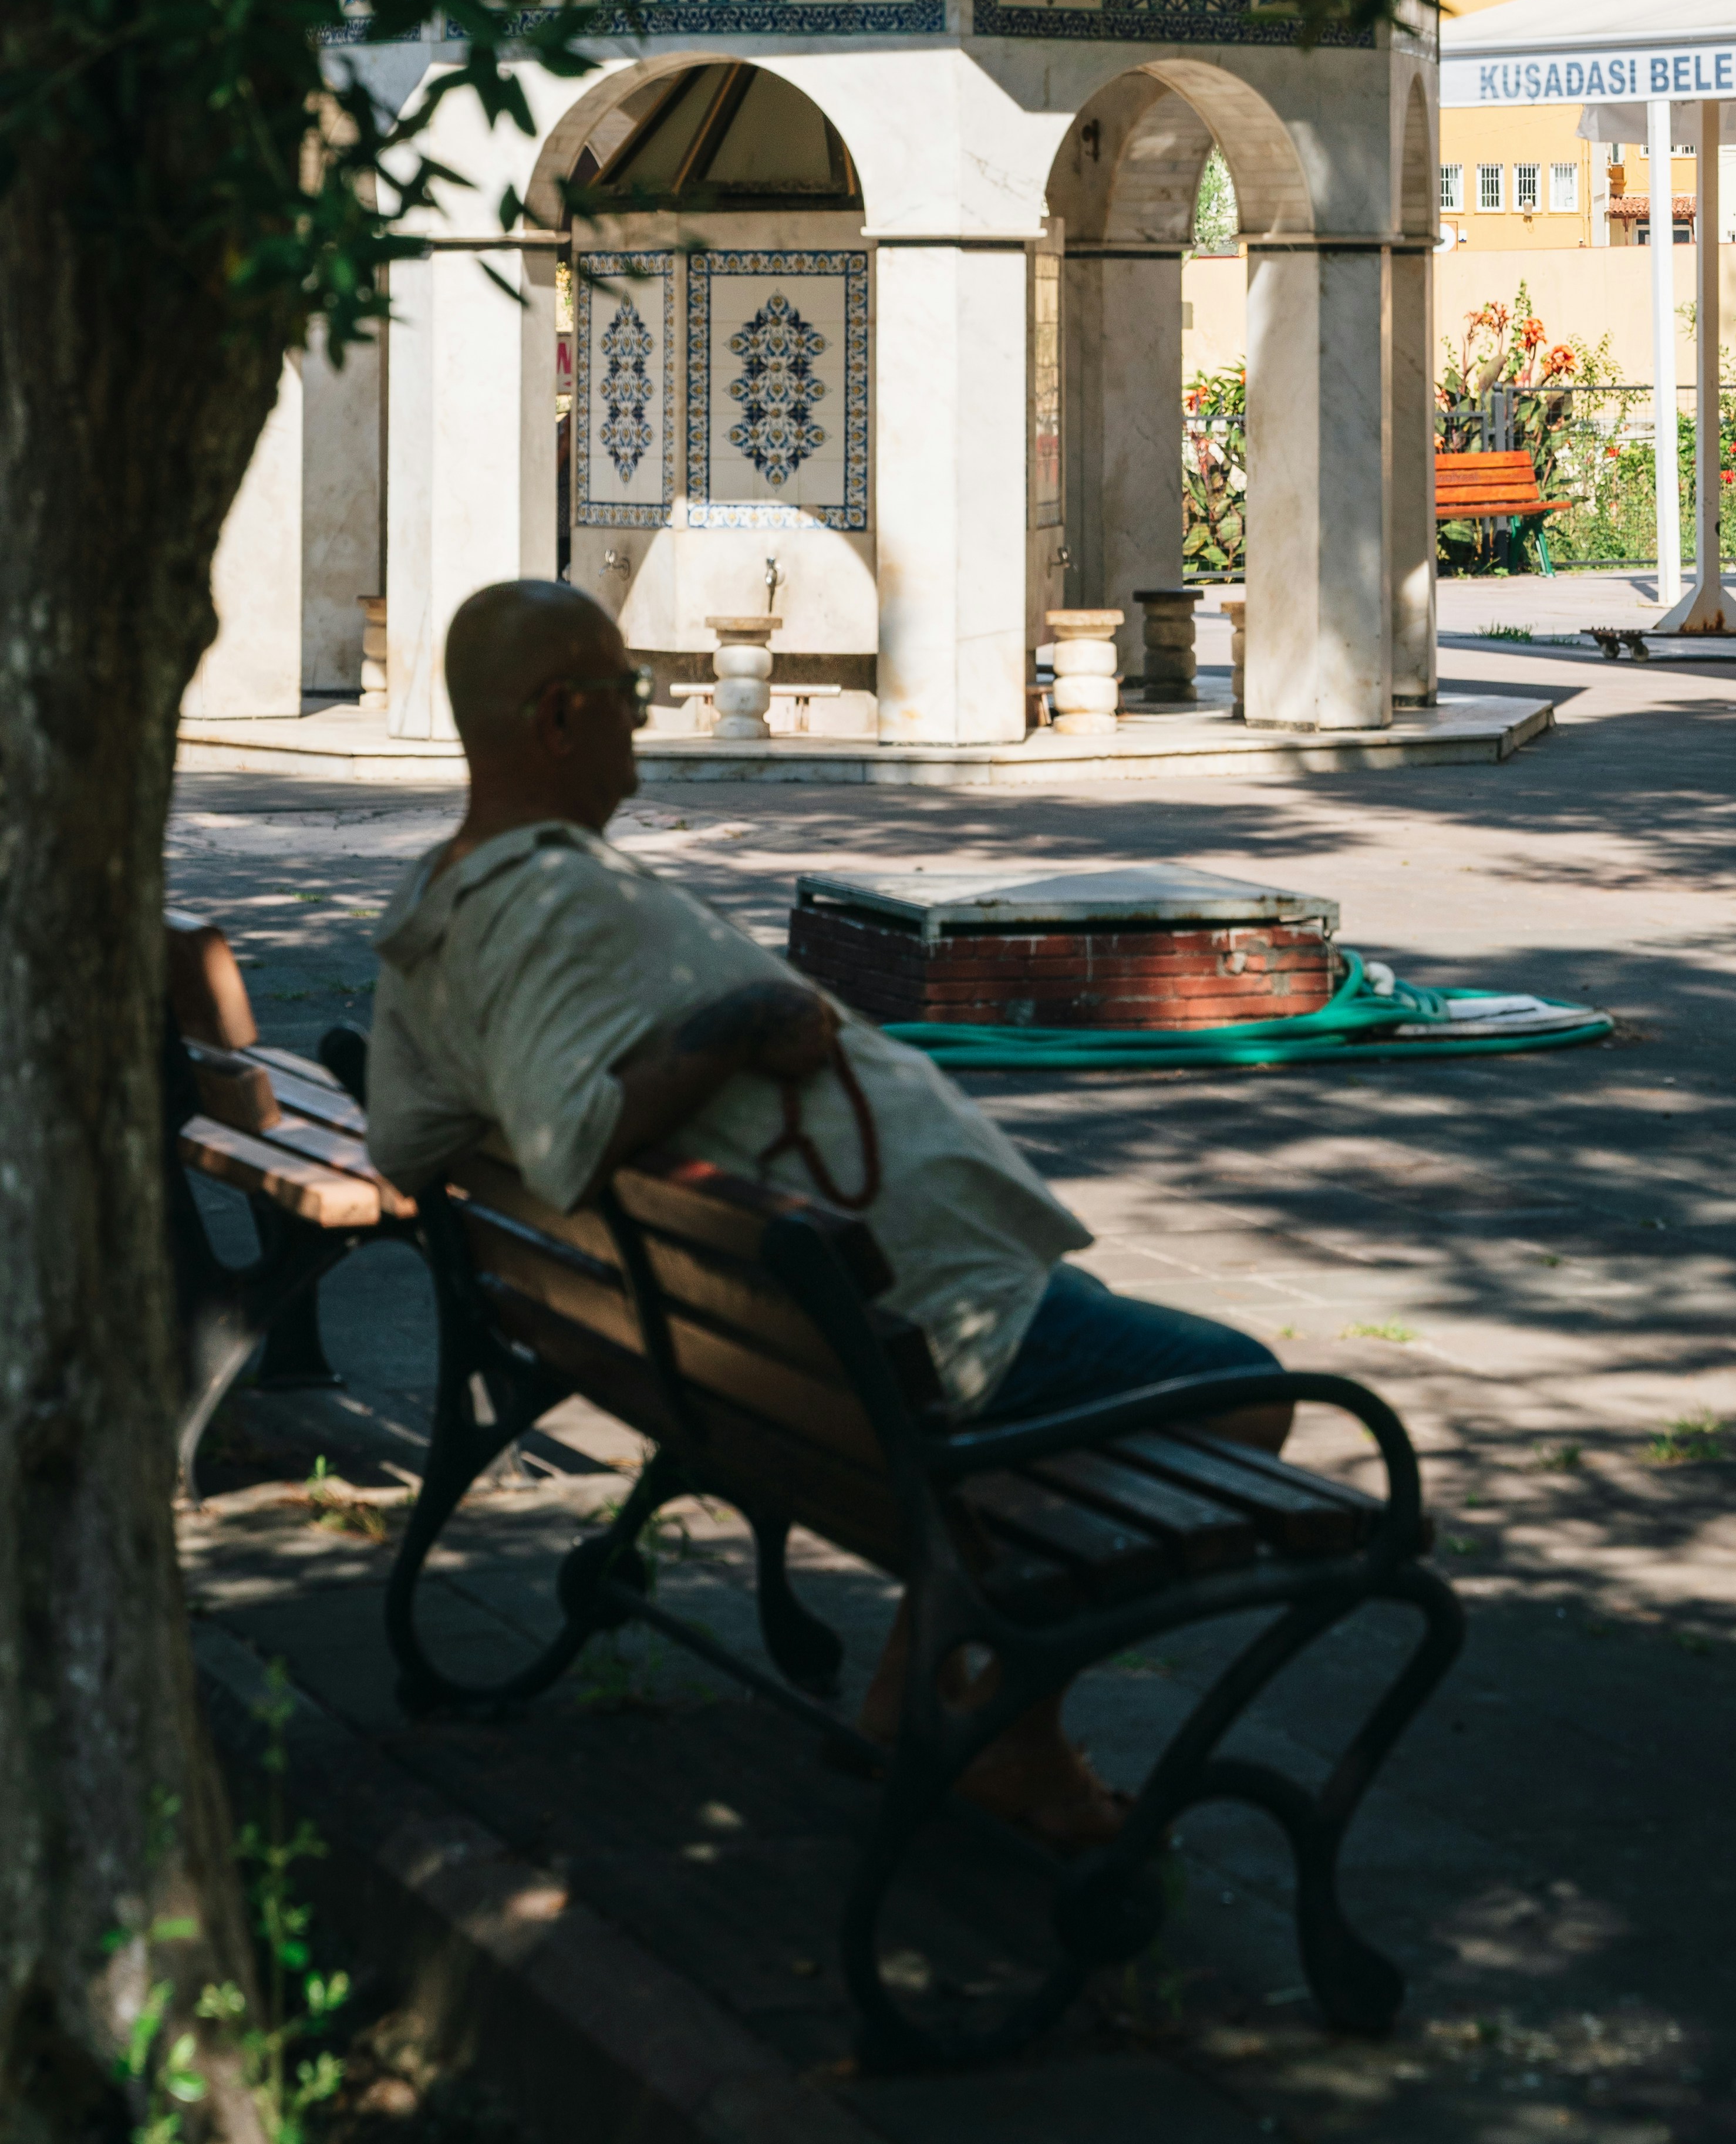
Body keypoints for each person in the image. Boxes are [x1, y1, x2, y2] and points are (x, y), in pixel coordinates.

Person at [365, 578, 1286, 1845]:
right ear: (561, 714)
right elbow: (571, 1135)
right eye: (630, 695)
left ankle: (919, 1690)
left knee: (1102, 1338)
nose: (645, 722)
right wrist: (740, 1023)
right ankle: (1003, 1740)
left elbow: (406, 1135)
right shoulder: (540, 897)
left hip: (764, 1352)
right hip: (895, 1329)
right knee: (1235, 1388)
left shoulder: (452, 896)